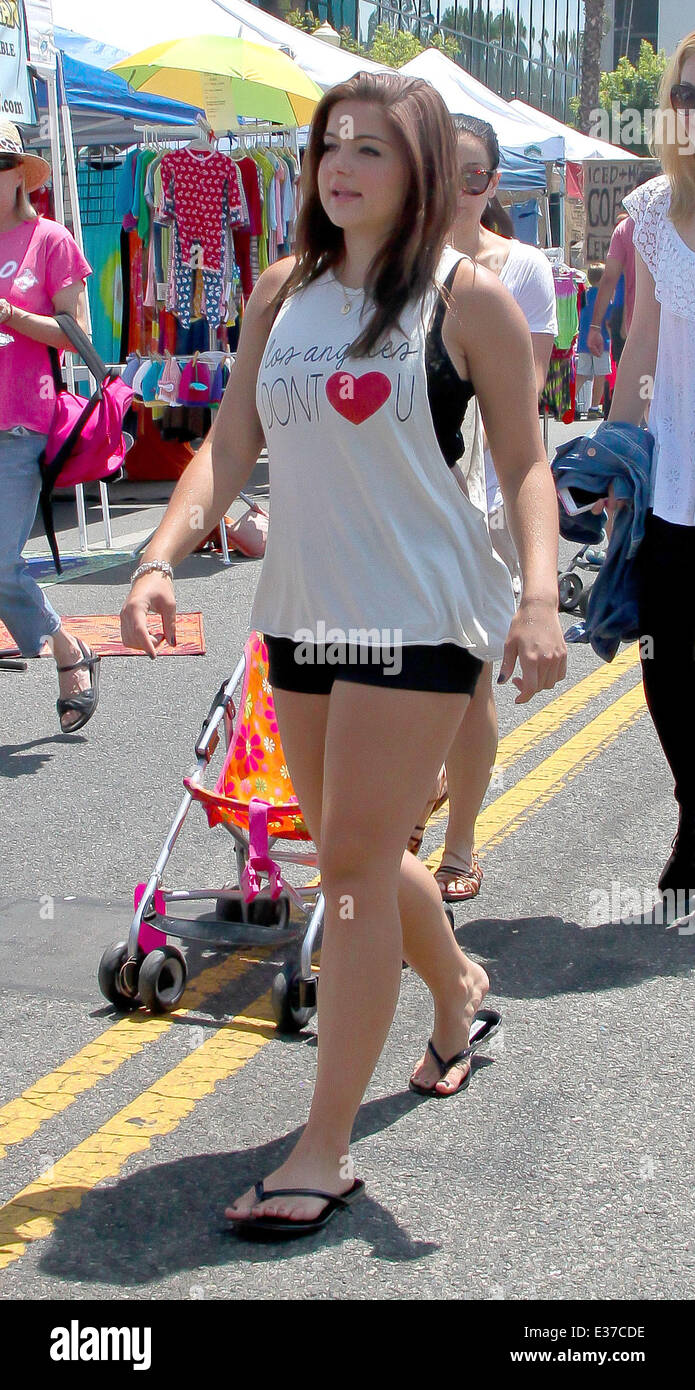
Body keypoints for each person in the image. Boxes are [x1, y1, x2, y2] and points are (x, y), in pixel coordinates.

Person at [121, 73, 565, 1238]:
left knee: (354, 872)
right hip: (300, 611)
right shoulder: (280, 293)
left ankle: (322, 1152)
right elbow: (229, 443)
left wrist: (538, 598)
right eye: (331, 145)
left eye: (371, 148)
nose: (341, 165)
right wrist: (160, 554)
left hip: (418, 614)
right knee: (356, 850)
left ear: (419, 170)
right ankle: (459, 989)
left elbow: (525, 464)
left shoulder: (466, 302)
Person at [416, 115, 557, 902]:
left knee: (467, 677)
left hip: (488, 495)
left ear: (493, 184)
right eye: (446, 174)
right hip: (415, 498)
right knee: (415, 666)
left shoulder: (520, 269)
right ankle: (409, 798)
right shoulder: (393, 268)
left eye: (476, 177)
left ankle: (459, 842)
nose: (459, 191)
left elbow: (520, 409)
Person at [603, 30, 695, 905]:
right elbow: (641, 343)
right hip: (674, 486)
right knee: (663, 665)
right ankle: (691, 800)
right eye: (689, 93)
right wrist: (606, 455)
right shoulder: (657, 213)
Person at [0, 121, 99, 731]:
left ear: (17, 173)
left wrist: (11, 314)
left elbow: (77, 336)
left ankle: (68, 648)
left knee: (0, 562)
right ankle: (69, 651)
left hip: (20, 423)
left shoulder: (48, 240)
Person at [587, 212, 635, 365]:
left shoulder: (624, 254)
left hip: (625, 311)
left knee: (627, 363)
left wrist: (622, 323)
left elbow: (611, 281)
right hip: (622, 310)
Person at [575, 264, 611, 421]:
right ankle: (594, 407)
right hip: (601, 342)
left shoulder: (583, 295)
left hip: (583, 341)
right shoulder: (605, 297)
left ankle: (570, 401)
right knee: (600, 374)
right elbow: (608, 320)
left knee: (582, 374)